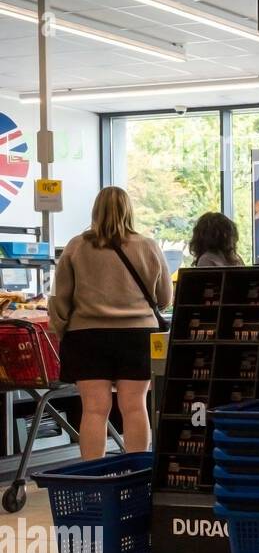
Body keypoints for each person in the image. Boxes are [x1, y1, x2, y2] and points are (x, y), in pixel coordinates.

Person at [49, 186, 172, 460]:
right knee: (135, 406)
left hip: (87, 336)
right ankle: (137, 474)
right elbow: (164, 297)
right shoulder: (149, 247)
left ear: (95, 210)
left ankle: (94, 479)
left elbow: (58, 297)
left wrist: (61, 329)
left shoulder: (75, 247)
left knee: (94, 409)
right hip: (137, 335)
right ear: (129, 210)